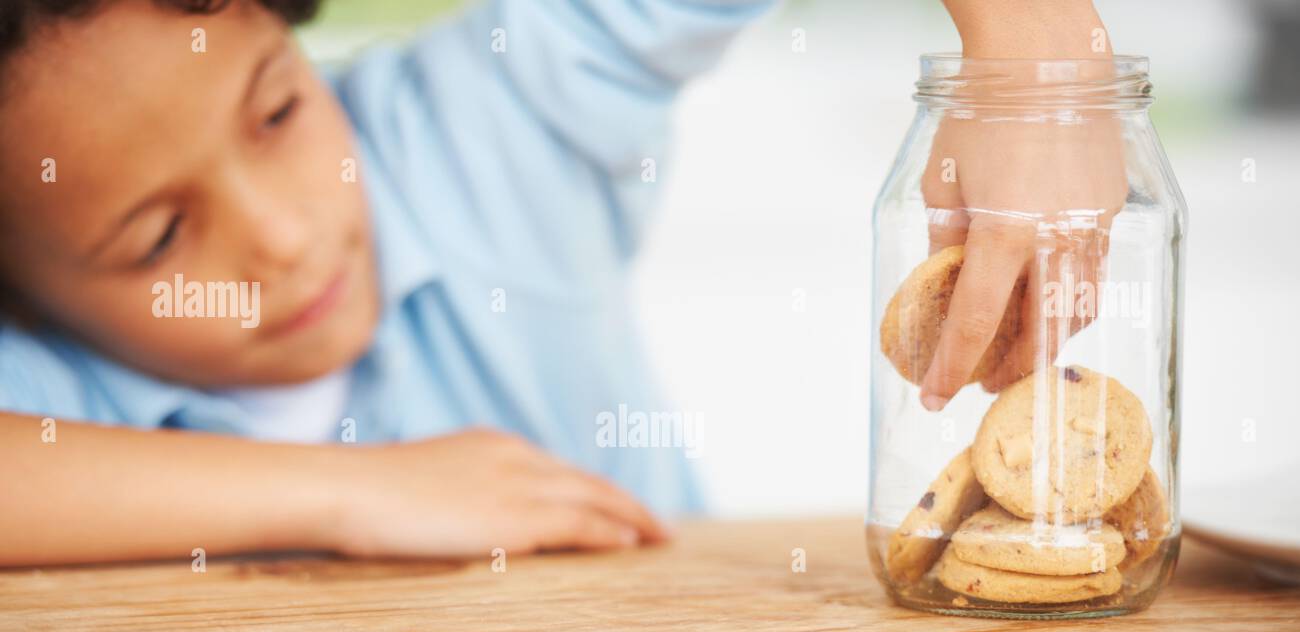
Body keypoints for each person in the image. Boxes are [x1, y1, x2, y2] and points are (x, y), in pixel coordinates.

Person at [0, 0, 1120, 566]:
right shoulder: (38, 380)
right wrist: (343, 490)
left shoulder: (489, 121)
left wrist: (1036, 53)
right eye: (156, 240)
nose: (285, 237)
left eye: (281, 111)